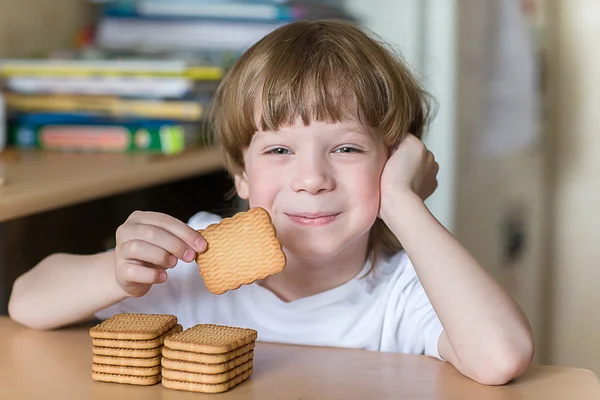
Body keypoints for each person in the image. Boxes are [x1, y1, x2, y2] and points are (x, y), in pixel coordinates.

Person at [8, 19, 534, 385]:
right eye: (279, 149)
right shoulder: (189, 263)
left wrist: (403, 202)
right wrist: (117, 274)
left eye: (347, 148)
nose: (311, 178)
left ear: (395, 163)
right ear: (241, 172)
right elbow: (26, 302)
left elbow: (500, 357)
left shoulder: (405, 293)